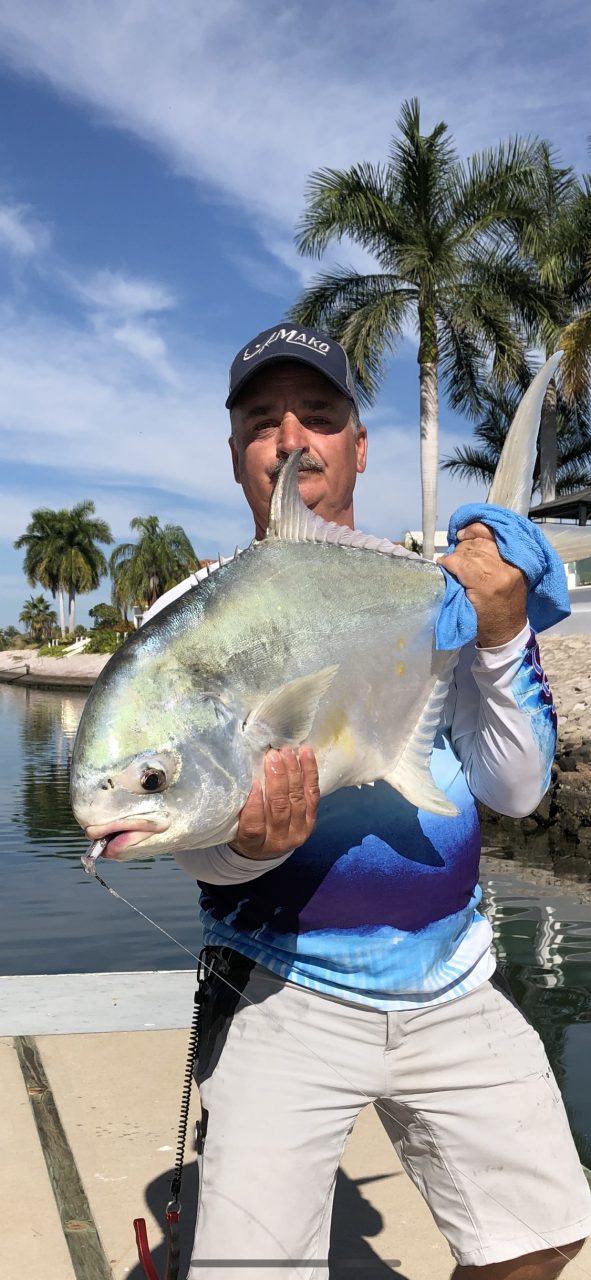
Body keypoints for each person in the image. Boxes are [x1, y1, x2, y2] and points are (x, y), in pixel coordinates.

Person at [143, 325, 591, 1280]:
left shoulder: (433, 591)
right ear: (234, 452)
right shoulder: (189, 619)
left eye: (318, 415)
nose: (290, 439)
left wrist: (501, 633)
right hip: (278, 989)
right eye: (261, 421)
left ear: (357, 446)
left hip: (453, 976)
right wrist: (252, 846)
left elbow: (514, 789)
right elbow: (191, 837)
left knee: (544, 1235)